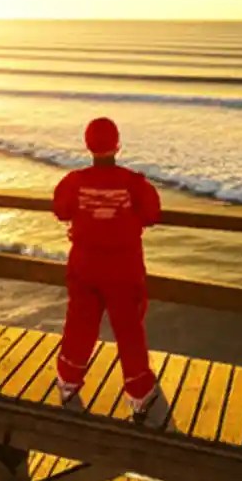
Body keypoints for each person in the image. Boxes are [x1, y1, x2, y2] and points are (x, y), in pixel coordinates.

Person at [53, 117, 162, 414]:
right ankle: (139, 391)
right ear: (118, 145)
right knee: (129, 329)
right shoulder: (131, 183)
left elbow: (61, 210)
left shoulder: (75, 182)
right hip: (123, 268)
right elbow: (152, 212)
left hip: (85, 266)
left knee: (79, 322)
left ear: (88, 145)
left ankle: (68, 379)